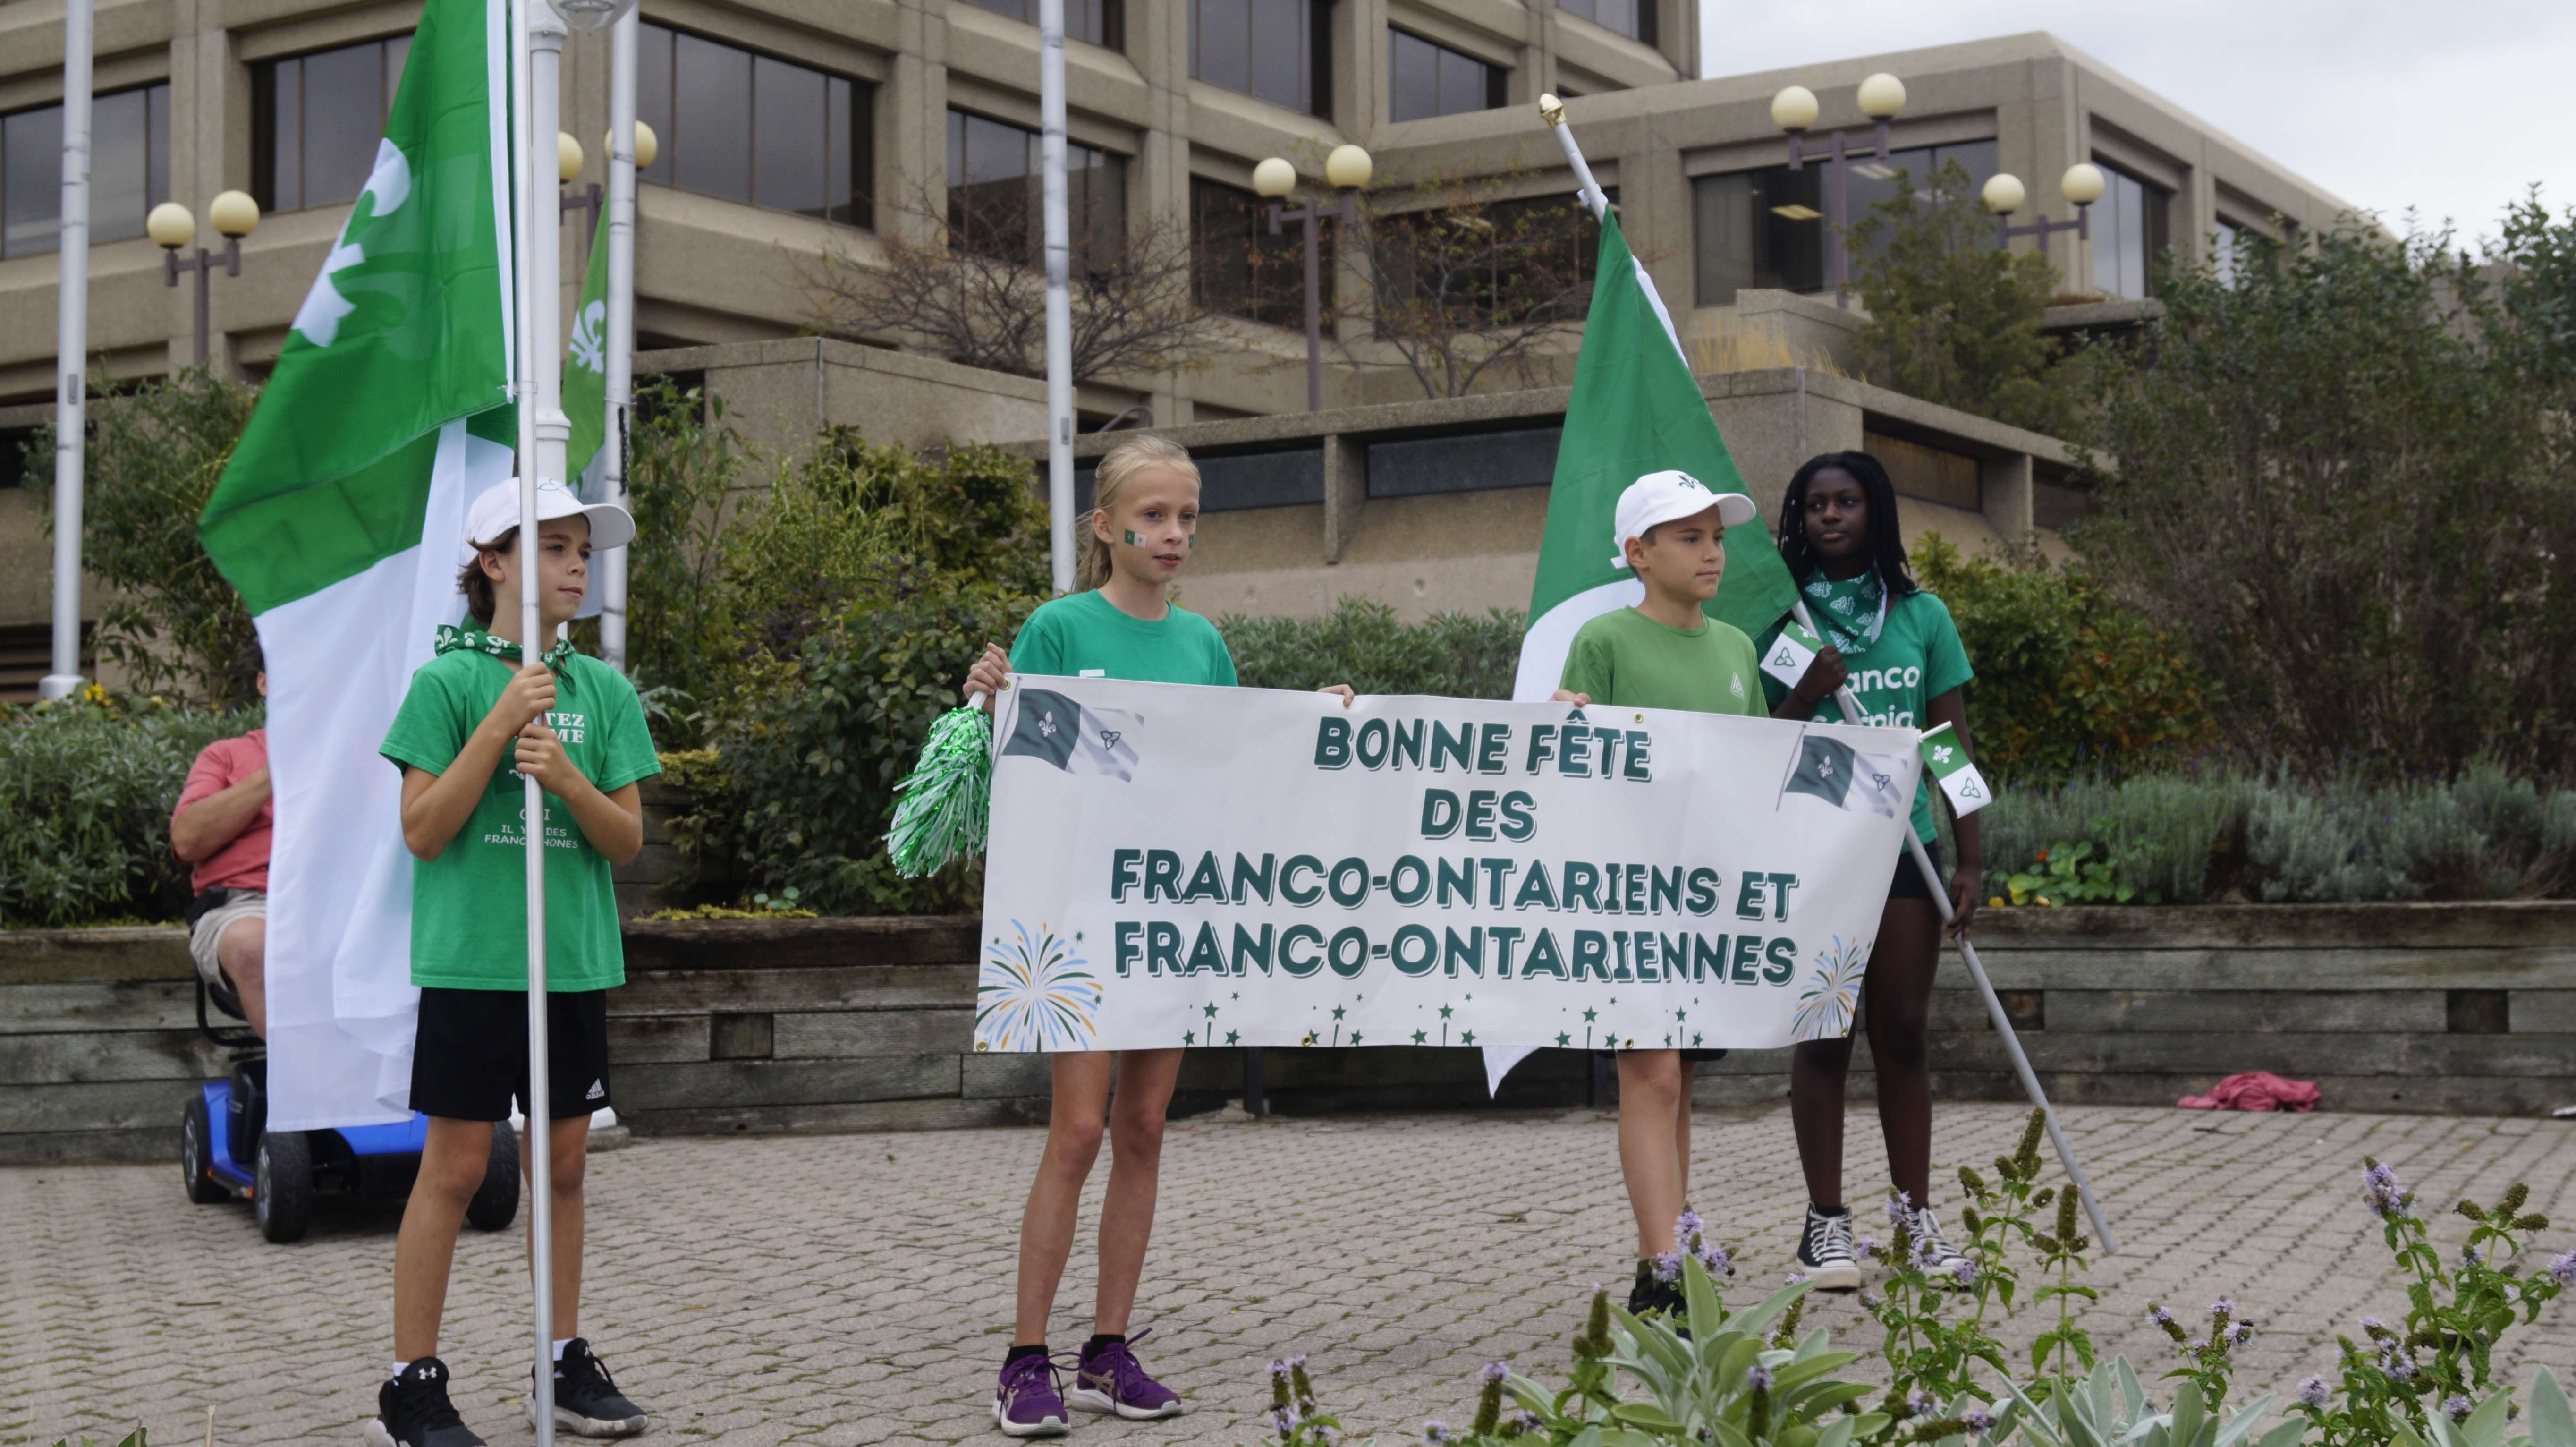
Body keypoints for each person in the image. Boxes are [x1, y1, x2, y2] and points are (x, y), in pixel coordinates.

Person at [962, 434, 1354, 1438]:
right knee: (1080, 1129)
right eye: (1152, 515)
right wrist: (985, 700)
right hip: (1077, 915)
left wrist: (1320, 722)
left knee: (1143, 1128)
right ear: (1105, 526)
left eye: (1187, 515)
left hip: (1169, 920)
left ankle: (1107, 1347)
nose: (1172, 532)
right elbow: (1017, 762)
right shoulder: (1056, 627)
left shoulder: (1203, 643)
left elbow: (1234, 763)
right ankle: (1023, 1359)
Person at [368, 479, 661, 1447]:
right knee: (453, 1168)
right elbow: (422, 828)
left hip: (570, 963)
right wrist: (500, 722)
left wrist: (567, 773)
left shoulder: (603, 690)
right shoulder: (445, 684)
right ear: (492, 562)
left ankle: (561, 1361)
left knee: (565, 1164)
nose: (579, 564)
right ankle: (412, 1381)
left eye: (584, 548)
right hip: (472, 964)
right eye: (555, 547)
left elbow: (624, 841)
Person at [1756, 450, 1982, 1292]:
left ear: (1875, 512)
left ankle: (1914, 1222)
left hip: (1907, 851)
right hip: (1816, 853)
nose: (1829, 515)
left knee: (1903, 1032)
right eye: (1814, 503)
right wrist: (1805, 691)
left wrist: (1972, 853)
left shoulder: (1922, 615)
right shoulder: (1784, 621)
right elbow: (1760, 745)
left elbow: (1948, 745)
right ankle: (1825, 1226)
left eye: (1847, 500)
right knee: (1824, 1032)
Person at [1545, 469, 1767, 1322]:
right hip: (1624, 896)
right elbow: (1569, 765)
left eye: (1716, 535)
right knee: (1652, 1073)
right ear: (1637, 553)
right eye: (1689, 537)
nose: (1712, 551)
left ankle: (1675, 1246)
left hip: (1704, 899)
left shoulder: (1739, 649)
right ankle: (1658, 1267)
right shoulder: (1602, 639)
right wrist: (1563, 721)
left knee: (1678, 1081)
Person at [171, 664, 273, 1037]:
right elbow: (186, 841)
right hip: (245, 905)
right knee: (251, 946)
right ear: (262, 682)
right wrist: (274, 772)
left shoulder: (356, 756)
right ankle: (313, 1083)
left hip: (335, 904)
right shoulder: (225, 755)